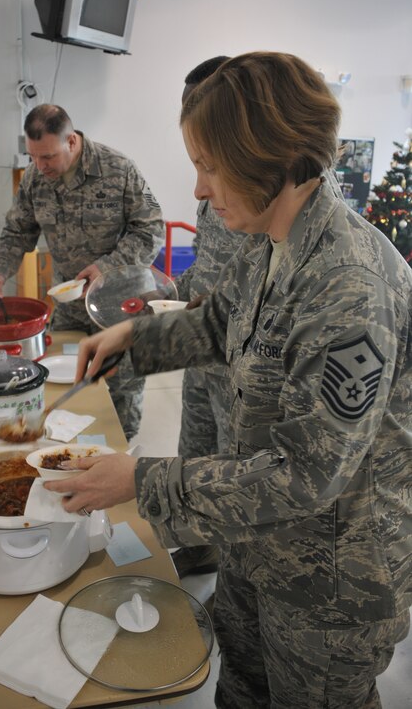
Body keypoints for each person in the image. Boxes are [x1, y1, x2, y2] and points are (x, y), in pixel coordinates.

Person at [45, 52, 412, 708]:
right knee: (240, 685)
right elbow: (221, 318)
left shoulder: (350, 290)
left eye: (208, 166)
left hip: (331, 578)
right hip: (257, 538)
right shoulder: (271, 238)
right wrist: (134, 339)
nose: (198, 190)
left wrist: (141, 480)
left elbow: (305, 476)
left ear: (268, 159)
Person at [0, 104, 164, 440]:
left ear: (71, 142)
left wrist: (105, 267)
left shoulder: (117, 168)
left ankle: (120, 454)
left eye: (48, 156)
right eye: (33, 156)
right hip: (70, 302)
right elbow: (18, 229)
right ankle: (72, 446)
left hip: (120, 303)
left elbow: (151, 229)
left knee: (121, 387)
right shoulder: (36, 178)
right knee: (64, 380)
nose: (39, 165)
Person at [173, 56, 245, 579]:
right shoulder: (216, 200)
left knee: (227, 465)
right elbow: (206, 270)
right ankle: (198, 547)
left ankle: (227, 557)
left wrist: (134, 481)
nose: (199, 186)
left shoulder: (263, 213)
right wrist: (170, 296)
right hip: (202, 355)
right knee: (194, 449)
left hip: (236, 372)